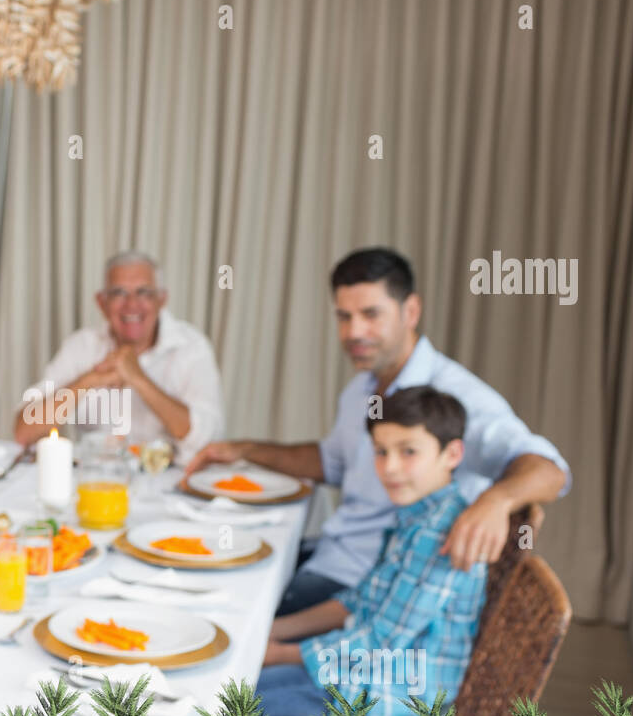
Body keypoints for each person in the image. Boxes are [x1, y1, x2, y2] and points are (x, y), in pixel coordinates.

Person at [184, 247, 570, 617]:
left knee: (224, 613)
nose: (355, 332)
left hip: (371, 585)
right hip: (334, 551)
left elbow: (551, 471)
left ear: (411, 310)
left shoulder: (457, 395)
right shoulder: (361, 389)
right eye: (344, 317)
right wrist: (244, 450)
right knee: (205, 570)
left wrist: (497, 501)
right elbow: (331, 462)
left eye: (371, 314)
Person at [256, 386, 486, 716]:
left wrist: (277, 654)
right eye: (381, 451)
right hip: (366, 663)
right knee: (243, 671)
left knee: (232, 693)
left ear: (452, 454)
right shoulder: (417, 515)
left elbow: (381, 642)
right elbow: (360, 599)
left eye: (408, 451)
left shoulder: (440, 534)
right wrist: (274, 631)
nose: (390, 467)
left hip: (393, 689)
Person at [13, 250, 224, 465]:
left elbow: (206, 442)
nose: (131, 304)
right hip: (96, 479)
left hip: (169, 484)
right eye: (119, 293)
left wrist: (138, 378)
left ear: (162, 300)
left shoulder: (192, 348)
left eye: (143, 292)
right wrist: (93, 379)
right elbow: (24, 432)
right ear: (102, 303)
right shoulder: (81, 346)